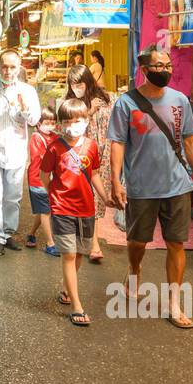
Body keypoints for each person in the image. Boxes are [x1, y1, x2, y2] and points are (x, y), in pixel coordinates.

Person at [108, 47, 193, 330]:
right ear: (144, 69)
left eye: (168, 66)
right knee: (137, 242)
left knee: (176, 243)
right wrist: (116, 181)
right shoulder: (126, 103)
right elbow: (118, 142)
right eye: (159, 66)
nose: (165, 70)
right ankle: (135, 269)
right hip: (141, 186)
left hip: (177, 184)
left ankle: (174, 304)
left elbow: (190, 140)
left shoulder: (180, 101)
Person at [40, 97, 100, 326]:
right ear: (60, 124)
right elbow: (44, 175)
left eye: (77, 120)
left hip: (86, 209)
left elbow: (93, 173)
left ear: (86, 120)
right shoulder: (54, 147)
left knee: (80, 253)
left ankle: (66, 289)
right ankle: (76, 305)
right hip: (62, 208)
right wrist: (52, 193)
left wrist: (106, 197)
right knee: (69, 254)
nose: (73, 124)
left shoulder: (91, 146)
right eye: (67, 121)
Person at [0, 50, 41, 259]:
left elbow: (34, 120)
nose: (8, 71)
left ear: (19, 67)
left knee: (12, 196)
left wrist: (24, 108)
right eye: (4, 66)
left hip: (16, 150)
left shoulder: (28, 91)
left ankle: (8, 233)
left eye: (13, 67)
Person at [66, 65, 113, 262]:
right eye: (73, 84)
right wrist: (89, 111)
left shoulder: (106, 97)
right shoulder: (71, 103)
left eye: (80, 83)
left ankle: (87, 237)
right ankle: (93, 244)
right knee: (89, 196)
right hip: (82, 154)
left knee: (99, 198)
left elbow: (113, 122)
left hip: (104, 151)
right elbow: (67, 129)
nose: (76, 87)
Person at [25, 104, 58, 256]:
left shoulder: (55, 137)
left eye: (53, 122)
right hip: (38, 180)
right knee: (46, 211)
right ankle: (50, 244)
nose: (50, 126)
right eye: (47, 123)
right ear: (39, 124)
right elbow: (41, 158)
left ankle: (31, 234)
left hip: (50, 180)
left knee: (43, 210)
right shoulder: (36, 137)